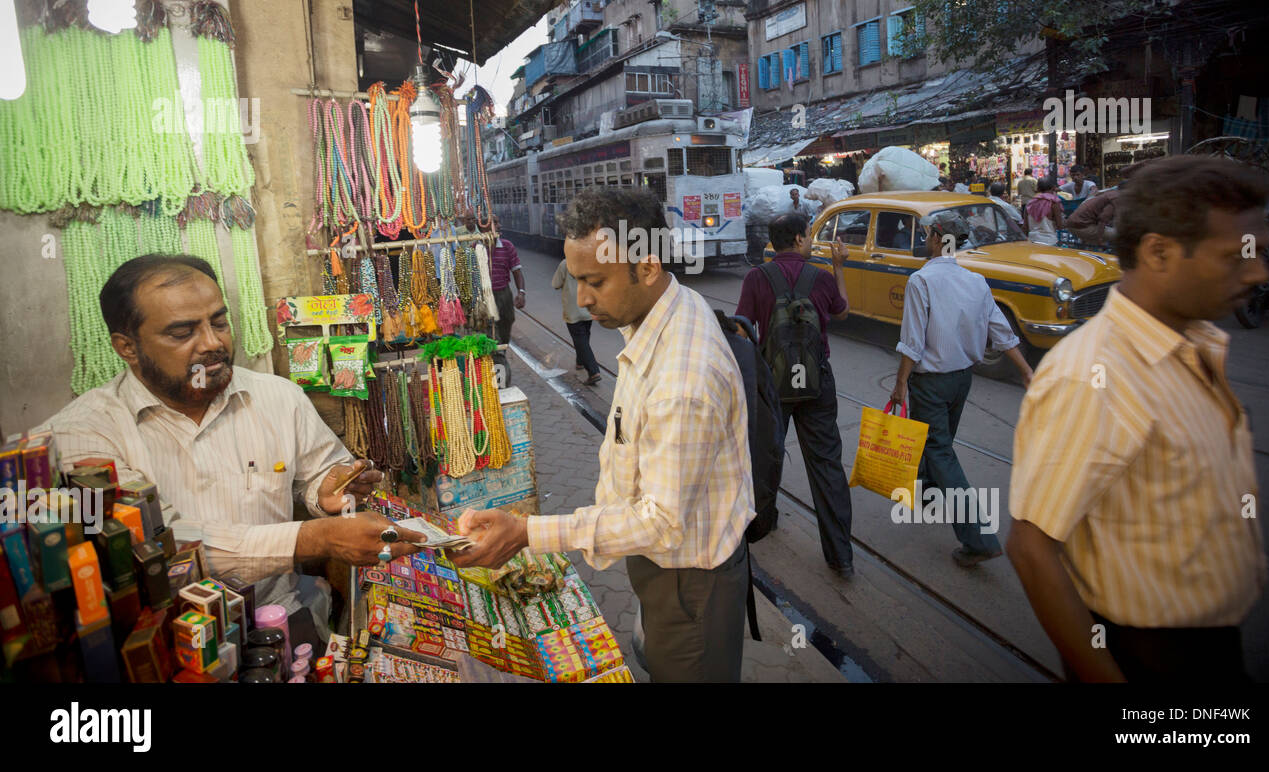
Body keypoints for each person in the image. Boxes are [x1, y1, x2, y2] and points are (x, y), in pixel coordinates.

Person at [450, 188, 754, 682]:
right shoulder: (665, 310)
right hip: (668, 578)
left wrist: (528, 533)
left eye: (595, 282)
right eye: (577, 281)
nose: (582, 299)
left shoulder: (683, 380)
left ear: (648, 268)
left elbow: (662, 523)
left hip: (689, 586)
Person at [44, 255, 425, 639]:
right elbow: (156, 547)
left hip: (279, 616)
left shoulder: (278, 397)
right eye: (182, 333)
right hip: (164, 643)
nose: (213, 343)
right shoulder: (79, 434)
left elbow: (322, 477)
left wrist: (327, 492)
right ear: (127, 347)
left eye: (220, 322)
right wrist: (315, 538)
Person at [1006, 156, 1269, 682]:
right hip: (1151, 658)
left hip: (1214, 642)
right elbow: (1033, 549)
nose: (1260, 272)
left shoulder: (1196, 341)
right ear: (1158, 252)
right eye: (1236, 255)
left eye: (1261, 253)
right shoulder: (1092, 376)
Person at [890, 211, 1034, 568]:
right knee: (939, 443)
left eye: (926, 234)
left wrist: (900, 383)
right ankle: (930, 490)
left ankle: (978, 537)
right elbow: (1001, 334)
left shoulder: (921, 281)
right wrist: (1027, 372)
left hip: (931, 384)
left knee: (939, 450)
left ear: (938, 237)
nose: (923, 239)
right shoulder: (975, 280)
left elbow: (912, 342)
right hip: (961, 380)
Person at [736, 212, 855, 577]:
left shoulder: (758, 276)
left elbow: (742, 329)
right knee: (826, 464)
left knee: (768, 455)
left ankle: (763, 522)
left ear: (773, 242)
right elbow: (843, 311)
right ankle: (840, 557)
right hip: (818, 383)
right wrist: (838, 267)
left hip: (773, 385)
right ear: (802, 238)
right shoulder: (819, 277)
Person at [552, 258, 600, 386]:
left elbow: (555, 284)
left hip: (573, 310)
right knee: (584, 336)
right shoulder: (589, 262)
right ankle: (580, 362)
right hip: (588, 308)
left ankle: (593, 371)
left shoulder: (565, 264)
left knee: (580, 339)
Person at [489, 216, 526, 345]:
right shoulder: (475, 247)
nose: (499, 226)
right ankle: (499, 361)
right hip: (485, 296)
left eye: (498, 222)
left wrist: (521, 292)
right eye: (495, 223)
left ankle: (502, 353)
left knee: (506, 325)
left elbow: (517, 271)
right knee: (491, 332)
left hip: (504, 294)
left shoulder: (507, 246)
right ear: (484, 227)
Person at [1024, 177, 1064, 245]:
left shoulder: (1029, 204)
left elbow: (1025, 227)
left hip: (1032, 241)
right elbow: (1059, 225)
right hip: (1050, 242)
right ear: (1054, 188)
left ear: (1038, 189)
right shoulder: (1054, 202)